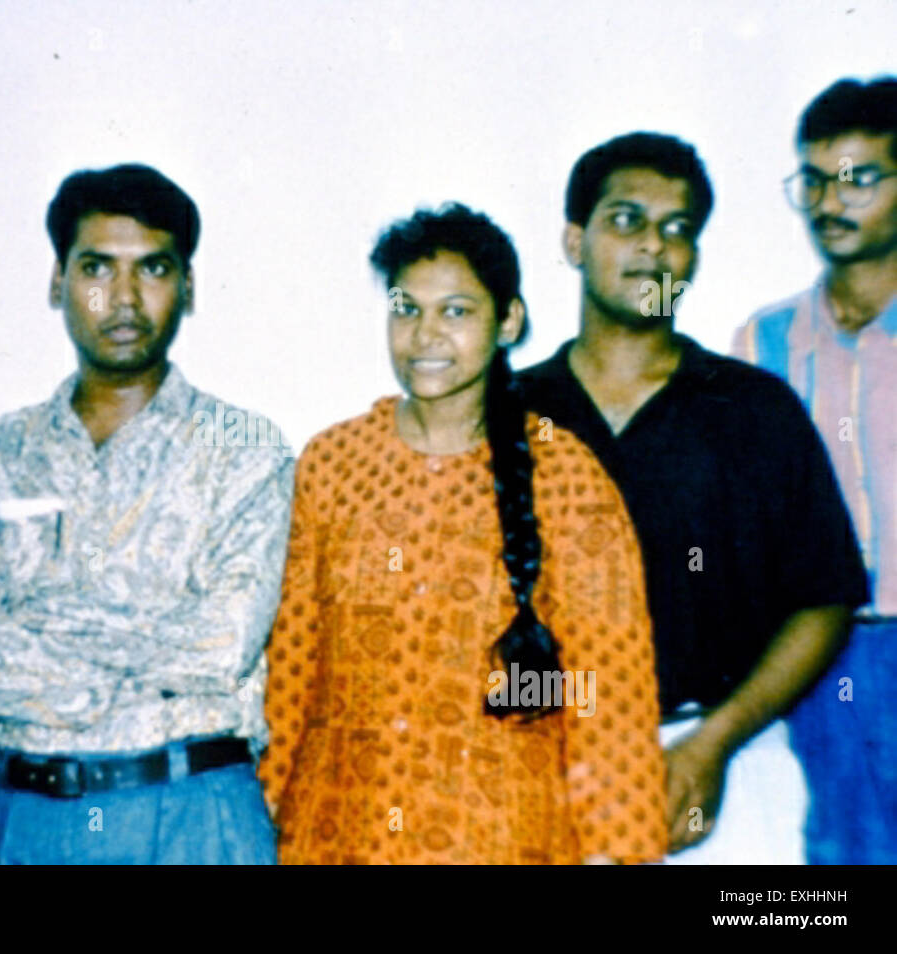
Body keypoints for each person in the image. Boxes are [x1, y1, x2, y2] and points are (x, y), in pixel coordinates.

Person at [258, 203, 667, 864]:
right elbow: (293, 670)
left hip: (502, 838)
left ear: (508, 321)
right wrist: (265, 814)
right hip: (337, 836)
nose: (425, 337)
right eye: (406, 309)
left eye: (455, 311)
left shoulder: (566, 479)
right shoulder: (332, 465)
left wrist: (617, 852)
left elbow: (607, 691)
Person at [0, 164, 292, 865]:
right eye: (96, 268)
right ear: (57, 282)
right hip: (30, 820)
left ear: (187, 286)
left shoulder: (245, 452)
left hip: (193, 814)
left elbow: (221, 643)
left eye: (152, 268)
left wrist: (40, 627)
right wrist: (124, 661)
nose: (123, 297)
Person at [519, 133, 870, 863]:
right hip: (542, 767)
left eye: (677, 229)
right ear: (575, 241)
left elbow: (825, 598)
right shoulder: (510, 412)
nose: (654, 246)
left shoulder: (750, 408)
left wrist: (714, 743)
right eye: (626, 220)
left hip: (728, 764)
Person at [732, 76, 897, 864]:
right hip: (828, 658)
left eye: (861, 177)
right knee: (844, 852)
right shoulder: (766, 344)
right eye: (817, 178)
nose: (833, 200)